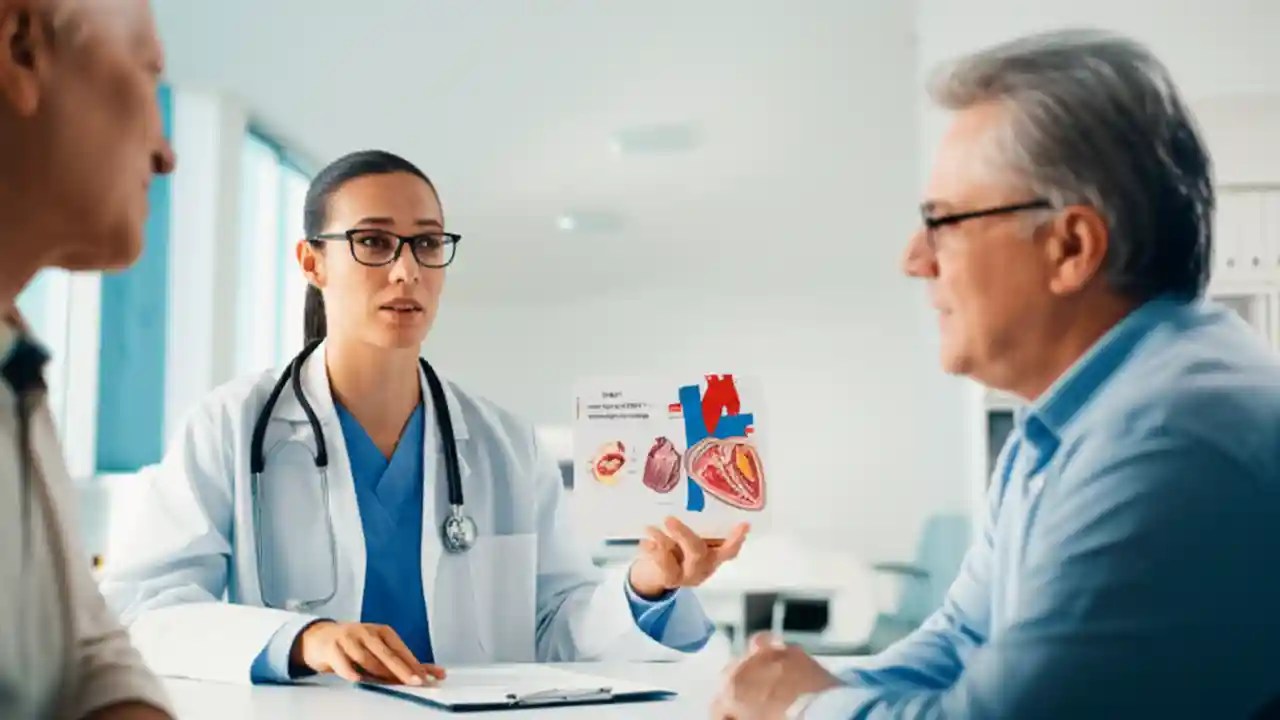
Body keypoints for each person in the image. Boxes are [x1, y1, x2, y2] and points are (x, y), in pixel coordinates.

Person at [712, 28, 1280, 720]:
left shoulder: (1171, 437)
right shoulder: (1068, 423)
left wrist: (797, 710)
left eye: (944, 221)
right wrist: (803, 690)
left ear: (1070, 246)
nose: (915, 259)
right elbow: (961, 643)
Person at [99, 149, 748, 686]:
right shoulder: (230, 427)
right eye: (374, 242)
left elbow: (554, 626)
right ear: (312, 262)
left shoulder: (505, 444)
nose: (407, 270)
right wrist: (303, 640)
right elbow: (142, 612)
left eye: (427, 243)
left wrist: (647, 585)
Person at [0, 0, 178, 717]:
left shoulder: (17, 367)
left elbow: (85, 650)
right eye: (147, 73)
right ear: (20, 48)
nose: (168, 153)